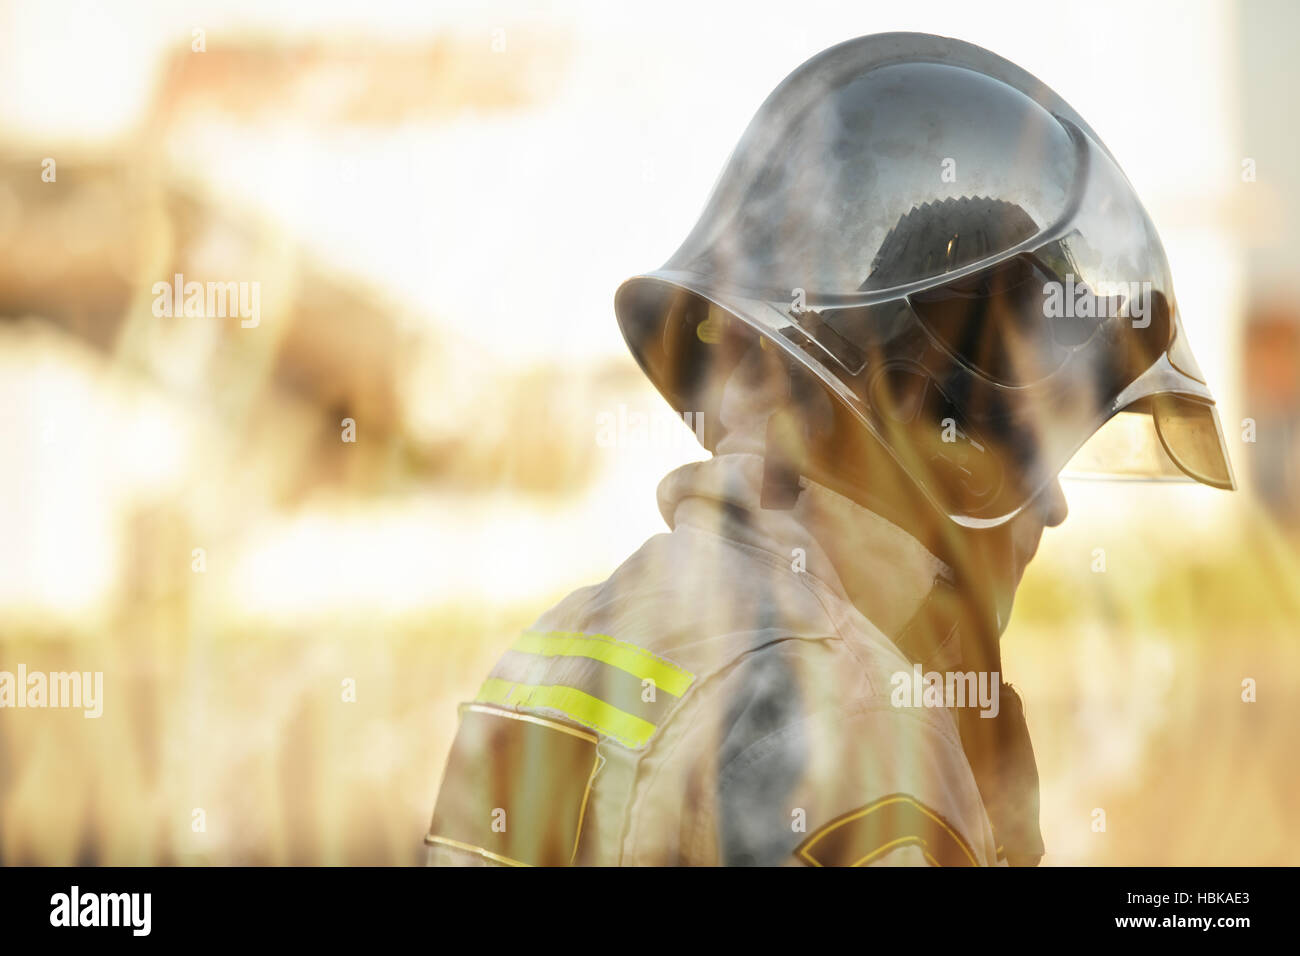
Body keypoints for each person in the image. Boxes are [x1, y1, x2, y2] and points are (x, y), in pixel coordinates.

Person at [424, 32, 1235, 867]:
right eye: (1041, 444)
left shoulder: (549, 655)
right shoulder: (856, 730)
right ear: (933, 421)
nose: (1057, 506)